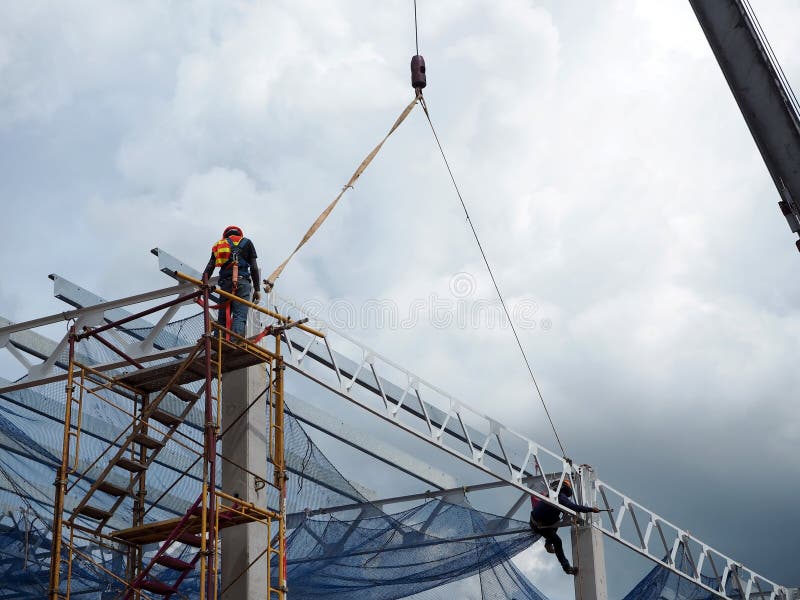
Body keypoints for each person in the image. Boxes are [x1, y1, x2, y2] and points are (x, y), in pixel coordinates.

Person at [529, 479, 600, 575]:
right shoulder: (560, 497)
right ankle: (567, 567)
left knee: (557, 520)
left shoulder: (551, 496)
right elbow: (574, 507)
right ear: (565, 488)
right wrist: (590, 509)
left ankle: (548, 543)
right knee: (557, 541)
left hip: (537, 522)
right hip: (541, 525)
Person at [202, 225, 261, 336]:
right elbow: (254, 267)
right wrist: (257, 289)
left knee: (223, 317)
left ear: (225, 235)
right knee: (240, 315)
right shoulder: (247, 242)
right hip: (242, 282)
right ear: (240, 234)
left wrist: (202, 284)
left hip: (226, 284)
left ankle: (220, 340)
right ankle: (235, 342)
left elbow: (210, 266)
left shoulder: (220, 244)